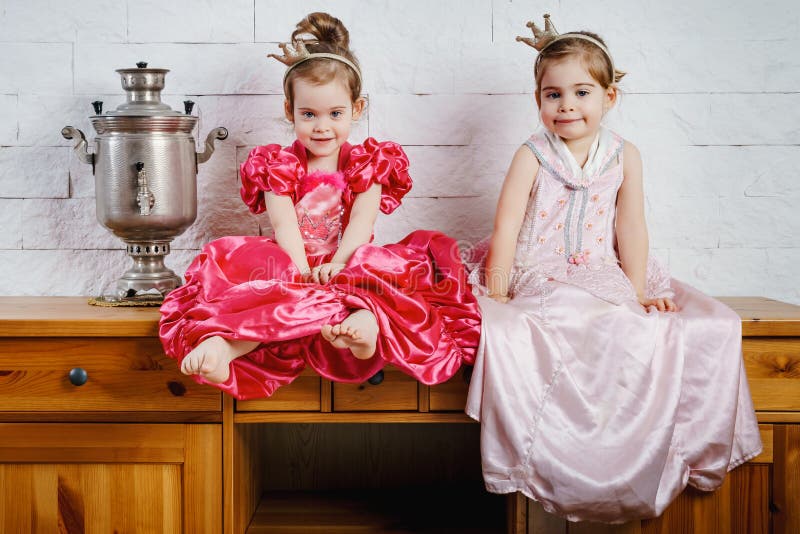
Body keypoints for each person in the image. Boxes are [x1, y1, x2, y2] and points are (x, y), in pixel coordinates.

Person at [465, 14, 762, 523]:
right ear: (539, 101)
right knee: (565, 314)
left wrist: (641, 287)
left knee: (632, 324)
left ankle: (628, 441)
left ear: (609, 97)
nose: (567, 106)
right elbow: (508, 224)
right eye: (552, 95)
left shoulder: (626, 155)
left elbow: (632, 227)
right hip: (540, 266)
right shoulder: (532, 154)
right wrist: (497, 286)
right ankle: (568, 447)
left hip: (601, 266)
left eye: (581, 92)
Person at [159, 12, 481, 400]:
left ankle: (366, 328)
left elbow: (361, 222)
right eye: (308, 115)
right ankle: (225, 347)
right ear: (289, 111)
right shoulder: (278, 164)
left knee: (375, 276)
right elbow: (284, 226)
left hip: (346, 256)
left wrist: (341, 264)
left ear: (356, 109)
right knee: (272, 295)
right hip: (293, 259)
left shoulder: (366, 162)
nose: (321, 127)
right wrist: (299, 271)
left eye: (335, 114)